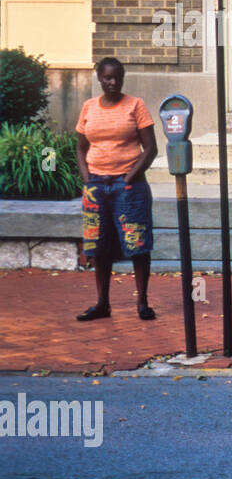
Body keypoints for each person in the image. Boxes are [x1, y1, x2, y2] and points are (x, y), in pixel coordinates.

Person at [74, 57, 158, 321]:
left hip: (128, 186)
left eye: (117, 77)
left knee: (137, 243)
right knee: (99, 245)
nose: (113, 82)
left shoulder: (136, 105)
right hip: (96, 186)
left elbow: (151, 148)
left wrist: (129, 177)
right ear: (99, 78)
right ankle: (102, 304)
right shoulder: (88, 107)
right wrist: (86, 176)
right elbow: (80, 146)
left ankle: (142, 302)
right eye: (107, 77)